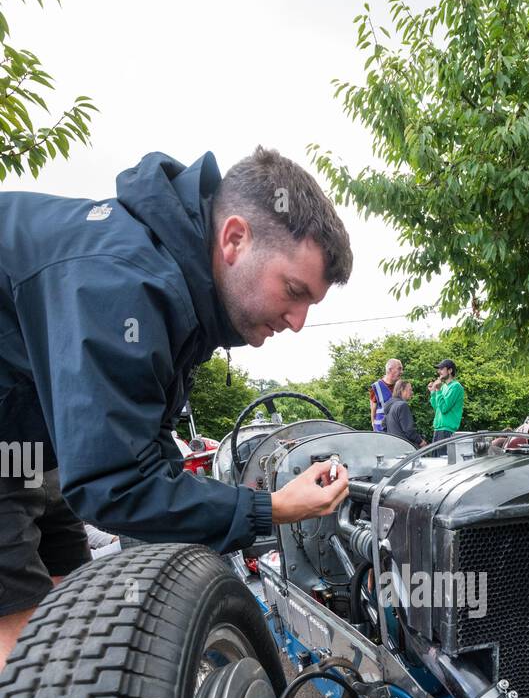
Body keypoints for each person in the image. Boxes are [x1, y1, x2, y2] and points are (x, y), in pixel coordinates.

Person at [0, 145, 352, 670]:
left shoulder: (182, 302)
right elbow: (117, 487)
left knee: (81, 602)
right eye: (294, 291)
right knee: (34, 659)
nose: (298, 321)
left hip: (28, 448)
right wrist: (273, 508)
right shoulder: (122, 283)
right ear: (235, 238)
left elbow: (147, 456)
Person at [427, 359, 464, 444]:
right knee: (435, 457)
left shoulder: (456, 387)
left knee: (443, 457)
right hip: (438, 429)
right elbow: (437, 408)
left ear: (450, 370)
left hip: (447, 430)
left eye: (442, 369)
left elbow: (444, 408)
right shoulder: (443, 387)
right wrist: (433, 392)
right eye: (438, 369)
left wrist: (438, 390)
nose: (439, 371)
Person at [382, 378, 426, 448]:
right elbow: (409, 430)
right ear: (402, 390)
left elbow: (384, 427)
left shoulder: (390, 406)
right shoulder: (403, 405)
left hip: (393, 447)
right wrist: (420, 441)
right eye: (410, 390)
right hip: (405, 448)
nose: (412, 392)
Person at [369, 357, 402, 433]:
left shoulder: (400, 386)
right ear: (390, 370)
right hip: (382, 433)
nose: (401, 372)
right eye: (399, 369)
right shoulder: (376, 387)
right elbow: (373, 413)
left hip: (398, 432)